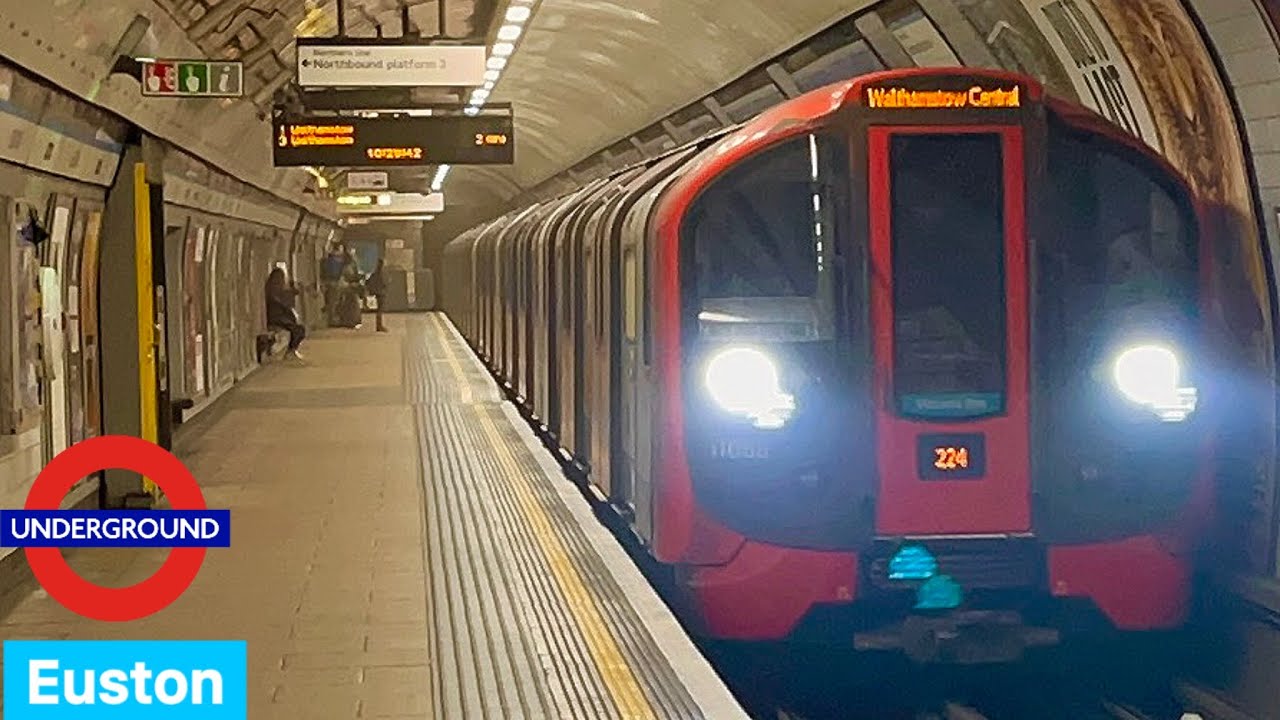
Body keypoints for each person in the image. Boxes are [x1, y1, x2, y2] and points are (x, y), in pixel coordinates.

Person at [265, 267, 305, 360]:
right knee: (298, 330)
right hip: (275, 317)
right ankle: (291, 351)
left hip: (280, 316)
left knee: (299, 328)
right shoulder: (272, 290)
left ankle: (292, 350)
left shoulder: (277, 289)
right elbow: (279, 303)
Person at [365, 258, 388, 332]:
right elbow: (384, 283)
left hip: (376, 292)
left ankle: (379, 325)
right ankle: (379, 325)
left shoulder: (374, 273)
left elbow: (368, 282)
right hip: (380, 293)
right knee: (380, 310)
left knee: (379, 310)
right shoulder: (381, 273)